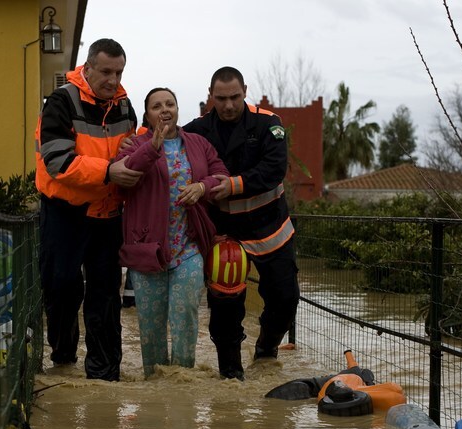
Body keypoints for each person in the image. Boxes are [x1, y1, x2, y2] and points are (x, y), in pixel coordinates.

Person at [183, 66, 300, 380]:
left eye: (234, 97)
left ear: (245, 91)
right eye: (221, 98)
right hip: (224, 235)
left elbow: (274, 169)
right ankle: (231, 376)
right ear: (211, 97)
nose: (228, 105)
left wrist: (234, 185)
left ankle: (266, 350)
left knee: (285, 298)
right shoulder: (195, 130)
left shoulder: (268, 124)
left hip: (270, 229)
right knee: (224, 308)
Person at [35, 38, 142, 381]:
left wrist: (133, 153)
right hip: (65, 211)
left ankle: (104, 375)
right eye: (107, 71)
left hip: (107, 214)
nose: (113, 79)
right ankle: (63, 357)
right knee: (63, 286)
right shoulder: (60, 102)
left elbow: (132, 154)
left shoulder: (125, 106)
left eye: (119, 72)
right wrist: (110, 170)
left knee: (106, 294)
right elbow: (56, 161)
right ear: (88, 67)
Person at [115, 87, 226, 378]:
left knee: (185, 316)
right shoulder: (133, 145)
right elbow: (123, 181)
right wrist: (152, 147)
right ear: (147, 114)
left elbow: (221, 175)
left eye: (170, 104)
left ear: (178, 109)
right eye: (156, 106)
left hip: (188, 247)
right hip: (147, 248)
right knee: (150, 324)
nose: (164, 109)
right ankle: (154, 383)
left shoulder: (199, 144)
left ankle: (182, 384)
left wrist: (203, 186)